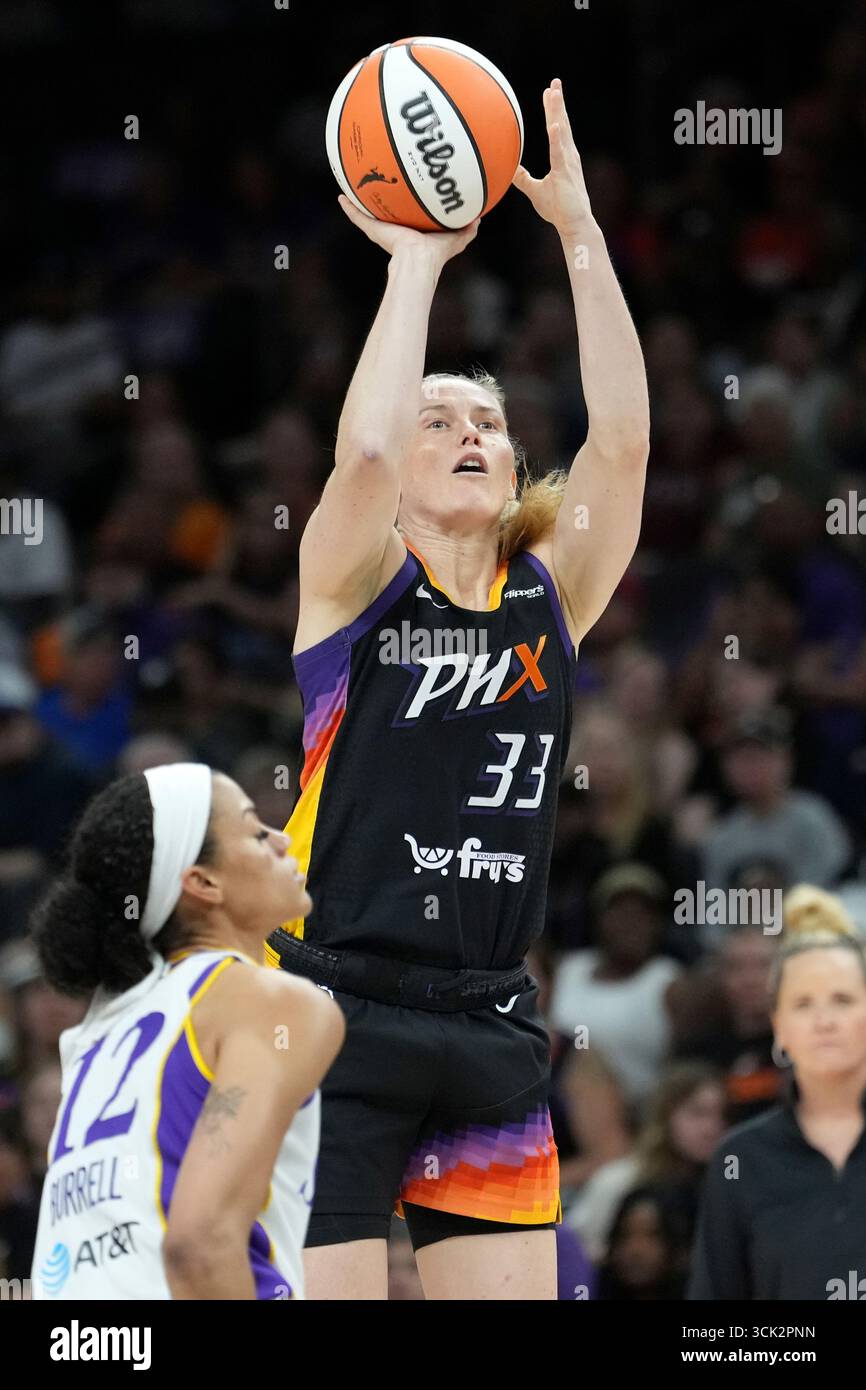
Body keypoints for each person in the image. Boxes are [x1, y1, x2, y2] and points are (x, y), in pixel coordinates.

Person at [266, 79, 650, 1300]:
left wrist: (579, 234)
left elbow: (623, 446)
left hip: (488, 1020)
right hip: (329, 1008)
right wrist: (416, 261)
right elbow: (366, 451)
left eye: (485, 418)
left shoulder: (552, 595)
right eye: (442, 417)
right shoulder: (349, 584)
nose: (468, 431)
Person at [28, 762, 344, 1299]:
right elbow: (199, 1246)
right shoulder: (267, 1001)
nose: (282, 838)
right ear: (202, 882)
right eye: (253, 828)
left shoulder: (96, 1032)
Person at [689, 885, 866, 1299]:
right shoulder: (740, 1161)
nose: (824, 1021)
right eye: (803, 1003)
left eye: (842, 1000)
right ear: (779, 1024)